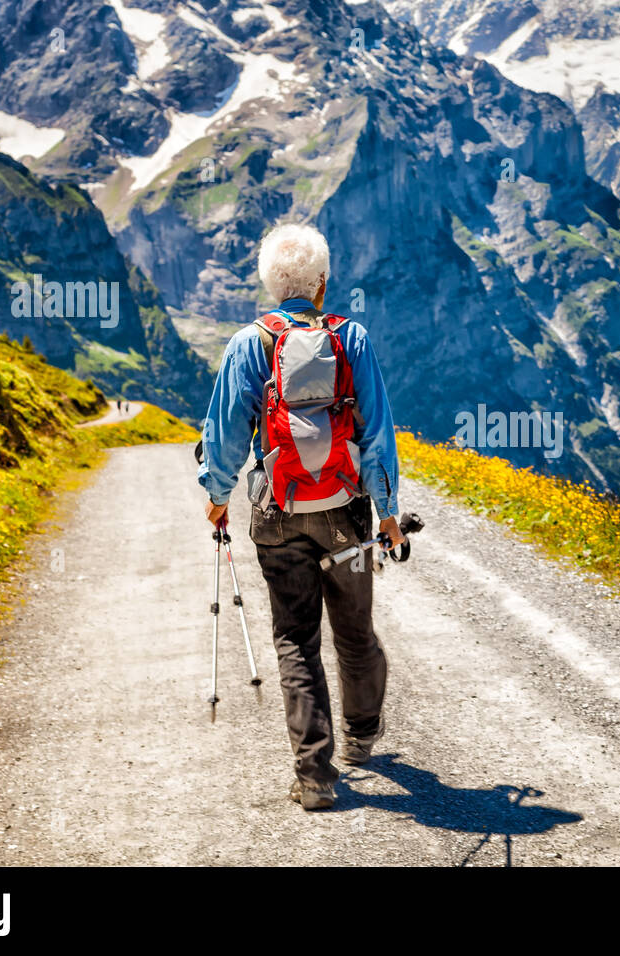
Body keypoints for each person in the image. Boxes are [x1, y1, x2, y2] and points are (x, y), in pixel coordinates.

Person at [197, 223, 402, 811]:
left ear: (269, 283)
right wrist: (386, 512)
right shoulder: (352, 338)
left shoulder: (248, 343)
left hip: (277, 514)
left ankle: (314, 775)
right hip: (344, 513)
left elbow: (227, 432)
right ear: (321, 283)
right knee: (354, 630)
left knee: (295, 637)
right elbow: (377, 431)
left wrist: (216, 495)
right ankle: (362, 736)